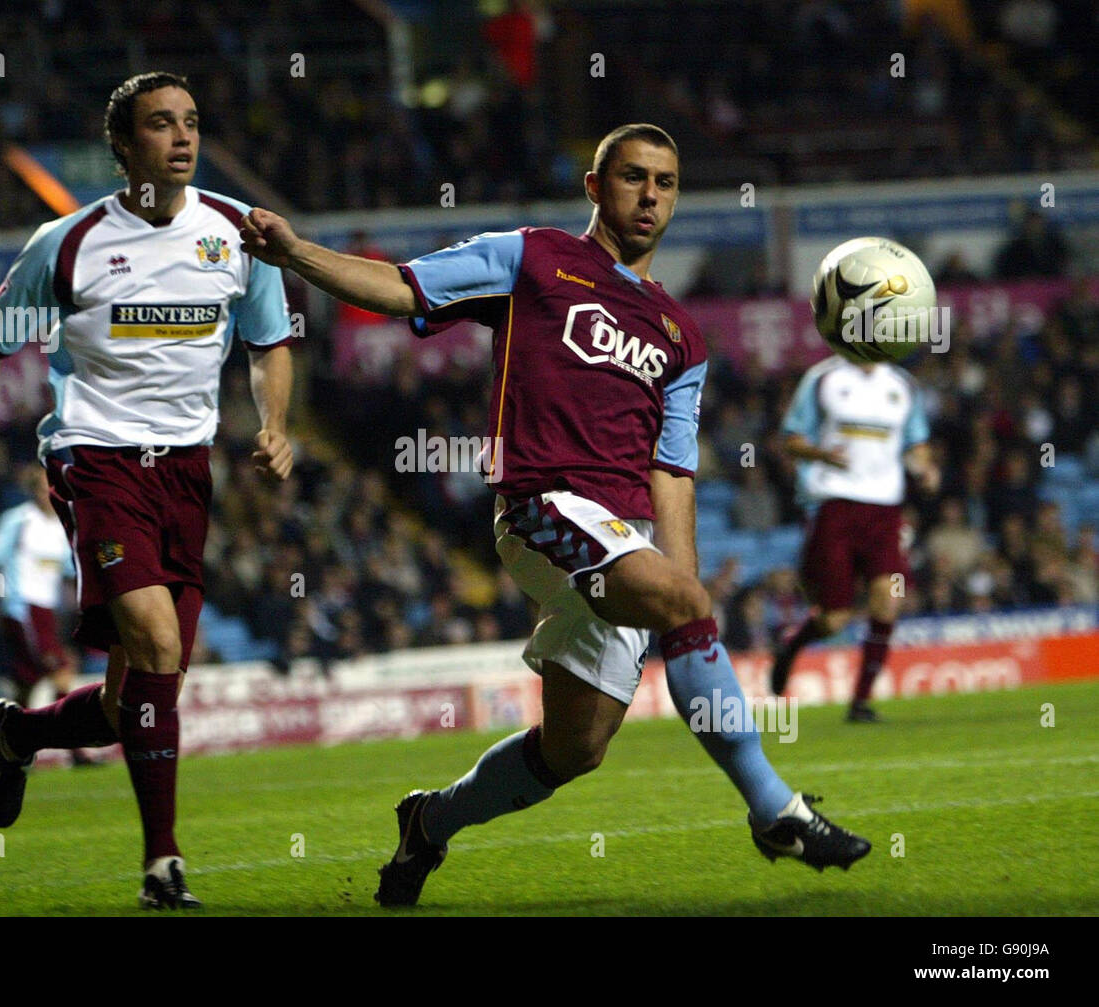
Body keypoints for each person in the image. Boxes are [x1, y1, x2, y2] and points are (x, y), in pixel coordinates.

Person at [239, 122, 871, 908]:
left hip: (624, 535)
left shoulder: (683, 334)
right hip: (541, 502)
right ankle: (776, 810)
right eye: (633, 177)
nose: (650, 195)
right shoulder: (531, 256)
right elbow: (404, 286)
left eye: (665, 182)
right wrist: (296, 253)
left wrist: (681, 583)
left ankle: (428, 822)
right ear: (595, 187)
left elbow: (671, 468)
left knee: (574, 749)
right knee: (680, 605)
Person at [0, 71, 297, 910]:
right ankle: (162, 862)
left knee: (131, 697)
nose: (183, 137)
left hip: (187, 470)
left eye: (193, 122)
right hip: (95, 460)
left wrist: (274, 424)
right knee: (162, 649)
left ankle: (18, 731)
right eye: (162, 124)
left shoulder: (237, 235)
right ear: (124, 145)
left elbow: (270, 340)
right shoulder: (67, 243)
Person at [770, 354, 940, 720]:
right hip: (835, 504)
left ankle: (860, 702)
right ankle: (791, 645)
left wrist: (926, 468)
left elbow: (917, 441)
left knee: (889, 600)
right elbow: (790, 439)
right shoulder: (824, 377)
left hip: (886, 510)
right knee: (835, 620)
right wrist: (821, 455)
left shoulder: (902, 384)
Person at [0, 465, 95, 762]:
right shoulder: (18, 520)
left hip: (47, 611)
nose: (46, 492)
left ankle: (12, 746)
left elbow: (71, 570)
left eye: (50, 486)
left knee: (27, 682)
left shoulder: (64, 528)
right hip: (22, 608)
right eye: (39, 487)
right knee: (61, 671)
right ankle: (75, 748)